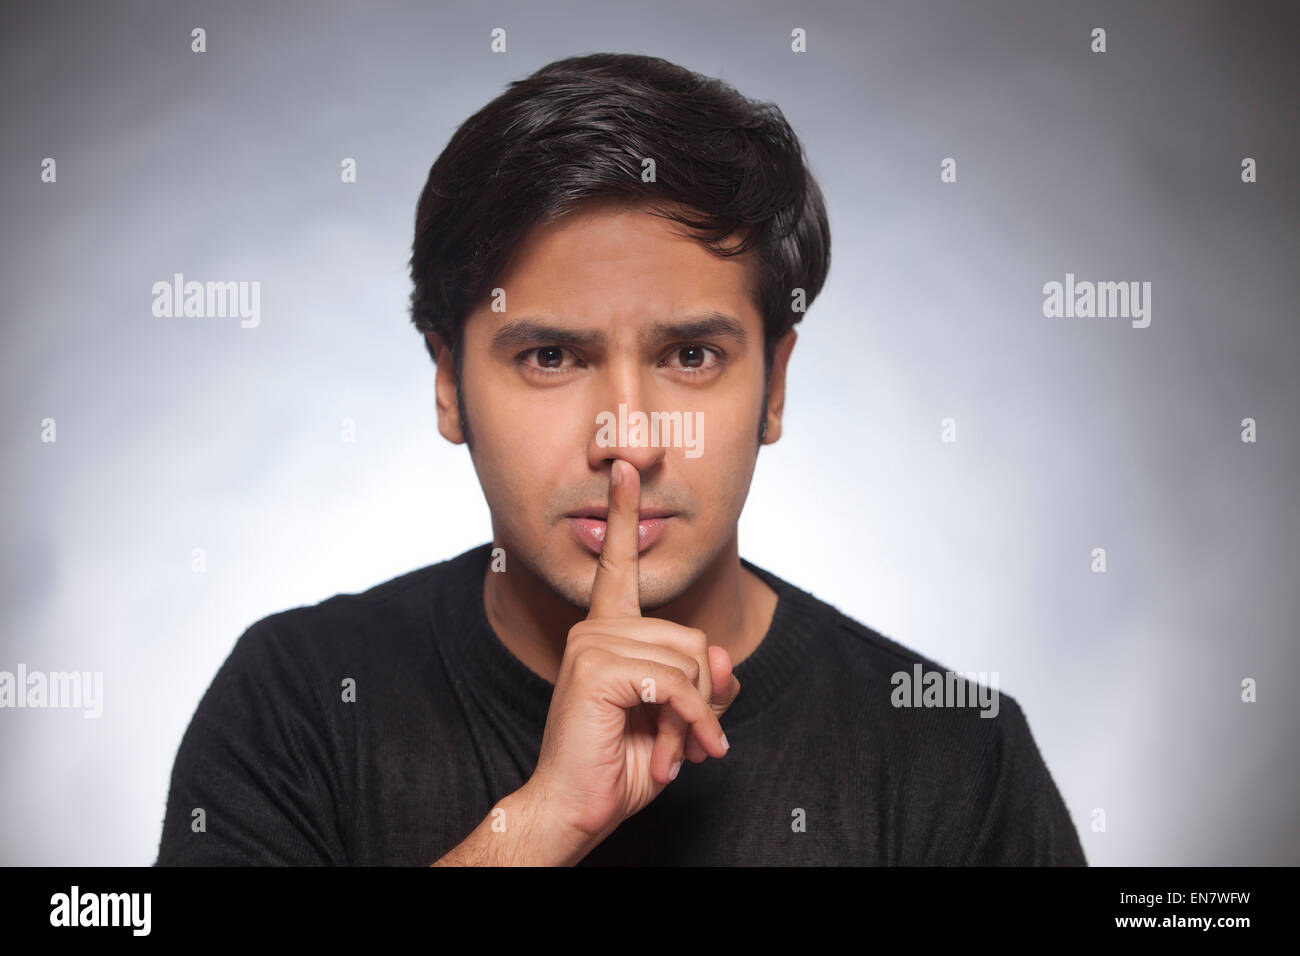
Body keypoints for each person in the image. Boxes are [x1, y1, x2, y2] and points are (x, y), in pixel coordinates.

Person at [156, 52, 1086, 866]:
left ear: (773, 387)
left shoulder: (956, 756)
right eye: (551, 357)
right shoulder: (298, 702)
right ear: (448, 385)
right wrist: (538, 828)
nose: (631, 439)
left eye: (691, 357)